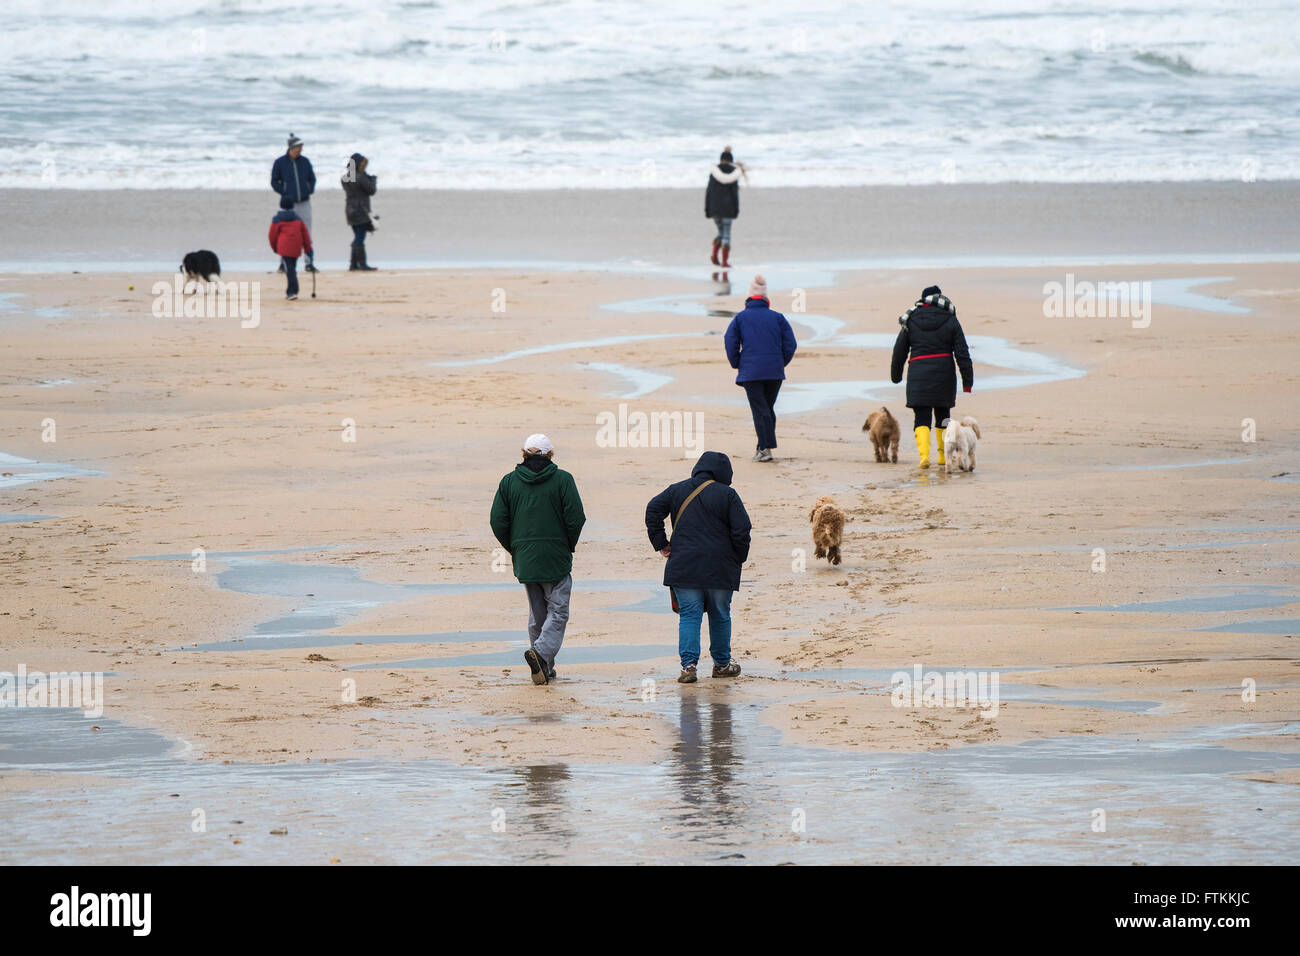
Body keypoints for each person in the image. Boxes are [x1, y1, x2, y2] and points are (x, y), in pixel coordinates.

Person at [645, 451, 752, 684]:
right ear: (724, 473)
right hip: (720, 568)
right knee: (720, 614)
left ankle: (689, 666)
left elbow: (653, 509)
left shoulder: (677, 490)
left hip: (684, 566)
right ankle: (722, 665)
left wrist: (661, 544)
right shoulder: (728, 495)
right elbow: (742, 530)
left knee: (690, 616)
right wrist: (738, 558)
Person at [490, 433, 586, 685]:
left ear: (524, 453)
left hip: (525, 557)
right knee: (559, 610)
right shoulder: (563, 480)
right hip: (555, 556)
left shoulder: (509, 481)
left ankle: (544, 666)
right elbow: (576, 517)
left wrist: (515, 547)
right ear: (550, 454)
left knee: (537, 612)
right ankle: (541, 654)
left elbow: (497, 520)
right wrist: (568, 545)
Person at [889, 285, 974, 468]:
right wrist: (967, 382)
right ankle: (943, 457)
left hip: (918, 375)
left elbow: (899, 351)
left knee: (921, 418)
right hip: (944, 376)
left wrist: (896, 376)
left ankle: (924, 457)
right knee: (943, 416)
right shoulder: (950, 318)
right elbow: (962, 352)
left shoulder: (910, 318)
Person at [724, 274, 797, 462]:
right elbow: (791, 344)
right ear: (766, 299)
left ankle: (765, 448)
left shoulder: (740, 318)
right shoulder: (778, 318)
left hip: (751, 373)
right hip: (774, 372)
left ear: (748, 299)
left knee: (761, 410)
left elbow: (729, 341)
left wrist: (737, 363)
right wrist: (780, 363)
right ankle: (762, 447)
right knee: (767, 408)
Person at [271, 134, 317, 272]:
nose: (301, 148)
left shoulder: (305, 161)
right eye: (298, 146)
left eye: (301, 146)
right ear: (292, 147)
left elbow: (312, 179)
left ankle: (309, 263)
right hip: (288, 205)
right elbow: (274, 181)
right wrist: (285, 193)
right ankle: (283, 263)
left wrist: (308, 190)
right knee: (285, 234)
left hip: (304, 202)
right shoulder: (280, 162)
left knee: (307, 232)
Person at [705, 147, 745, 267]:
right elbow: (735, 194)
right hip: (728, 210)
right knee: (726, 234)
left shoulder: (713, 173)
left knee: (721, 232)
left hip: (715, 208)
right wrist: (736, 209)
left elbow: (709, 192)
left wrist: (707, 209)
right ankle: (724, 262)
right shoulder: (734, 173)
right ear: (731, 160)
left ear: (721, 159)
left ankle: (714, 255)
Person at [268, 195, 312, 301]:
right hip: (296, 248)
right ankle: (292, 290)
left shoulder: (277, 219)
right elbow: (305, 235)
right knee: (292, 268)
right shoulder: (298, 219)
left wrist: (275, 248)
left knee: (290, 270)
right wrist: (308, 249)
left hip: (284, 248)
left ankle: (292, 291)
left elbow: (272, 235)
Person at [342, 152, 378, 271]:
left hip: (350, 209)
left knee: (357, 236)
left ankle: (353, 264)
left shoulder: (346, 177)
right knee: (360, 237)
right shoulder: (360, 177)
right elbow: (371, 190)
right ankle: (362, 264)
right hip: (361, 210)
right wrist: (372, 180)